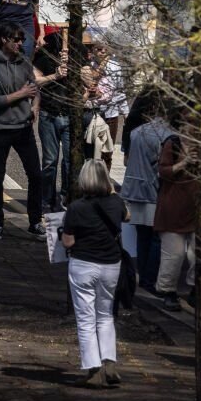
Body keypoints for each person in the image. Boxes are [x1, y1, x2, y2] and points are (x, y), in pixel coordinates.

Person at [59, 160, 127, 388]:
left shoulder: (77, 208)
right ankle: (109, 362)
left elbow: (68, 242)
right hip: (111, 264)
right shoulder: (116, 203)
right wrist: (112, 191)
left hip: (84, 264)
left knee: (86, 318)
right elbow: (126, 217)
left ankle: (93, 368)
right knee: (105, 314)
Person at [0, 23, 43, 236]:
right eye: (15, 39)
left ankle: (35, 221)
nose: (19, 43)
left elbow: (34, 89)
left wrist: (34, 106)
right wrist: (22, 94)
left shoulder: (24, 62)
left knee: (35, 174)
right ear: (4, 40)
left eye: (21, 40)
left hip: (23, 127)